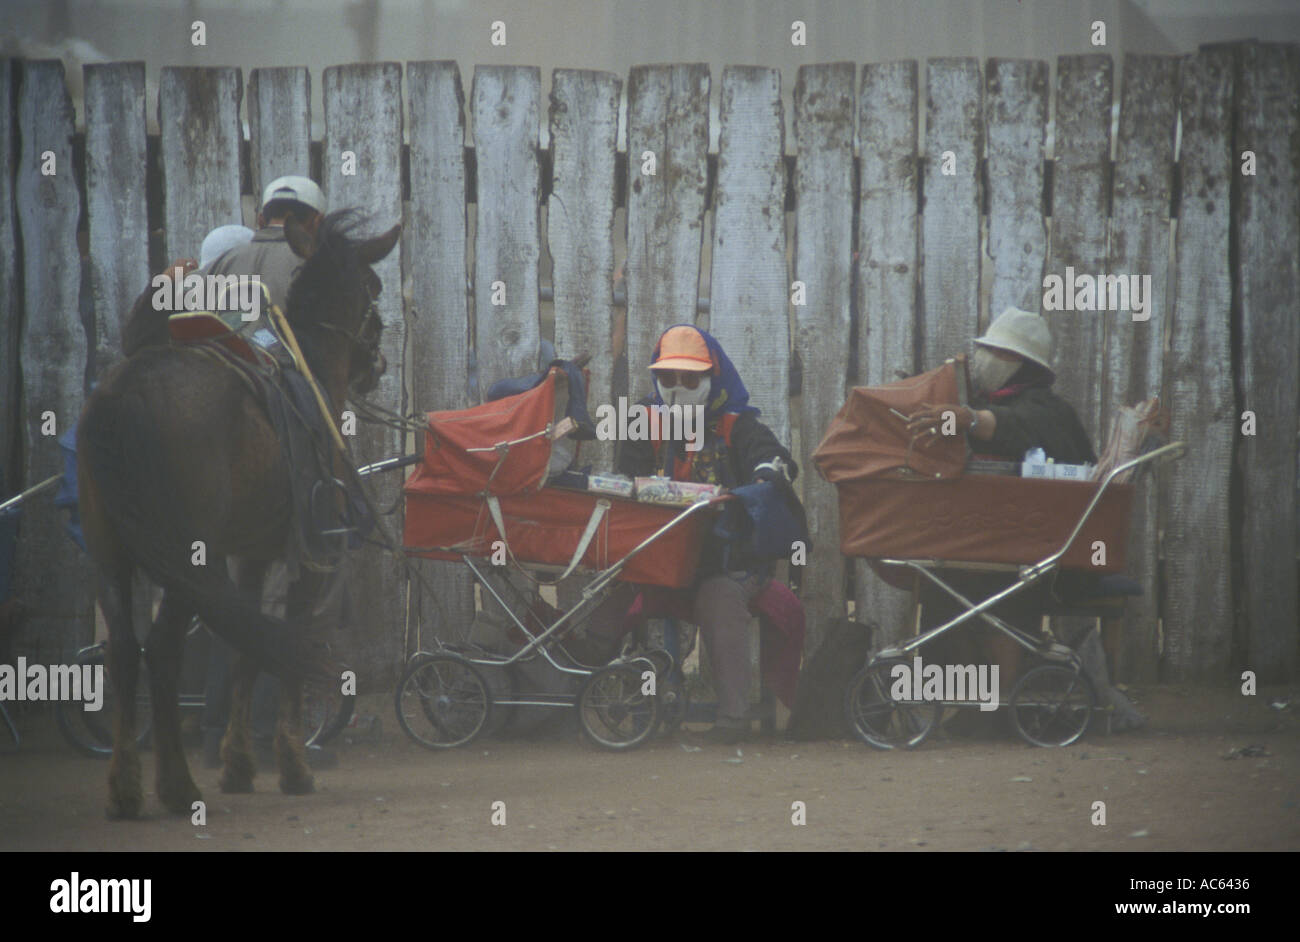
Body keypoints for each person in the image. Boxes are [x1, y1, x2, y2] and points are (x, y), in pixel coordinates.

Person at [905, 306, 1144, 731]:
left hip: (1054, 557)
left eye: (994, 352)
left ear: (1021, 365)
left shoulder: (1049, 412)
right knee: (945, 579)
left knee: (995, 579)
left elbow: (1013, 426)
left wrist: (971, 420)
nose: (982, 359)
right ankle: (968, 700)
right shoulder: (979, 403)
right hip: (999, 542)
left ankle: (1000, 704)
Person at [615, 324, 799, 744]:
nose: (678, 387)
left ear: (713, 376)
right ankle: (576, 691)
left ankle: (734, 716)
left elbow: (779, 461)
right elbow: (627, 481)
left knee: (719, 596)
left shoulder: (738, 424)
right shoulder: (643, 421)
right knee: (608, 586)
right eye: (667, 378)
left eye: (690, 378)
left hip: (729, 560)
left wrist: (766, 474)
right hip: (657, 556)